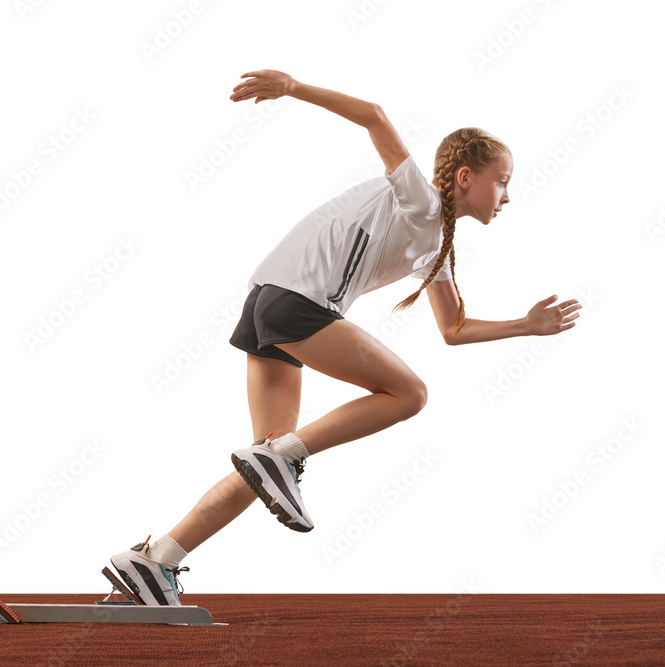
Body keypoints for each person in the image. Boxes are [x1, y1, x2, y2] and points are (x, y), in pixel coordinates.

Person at [107, 70, 582, 605]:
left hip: (268, 303)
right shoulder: (422, 201)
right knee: (409, 395)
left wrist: (526, 325)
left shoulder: (437, 244)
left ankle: (157, 559)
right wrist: (292, 87)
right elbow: (374, 116)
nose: (508, 196)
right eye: (503, 181)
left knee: (264, 462)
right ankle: (283, 457)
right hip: (297, 303)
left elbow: (453, 329)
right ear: (466, 177)